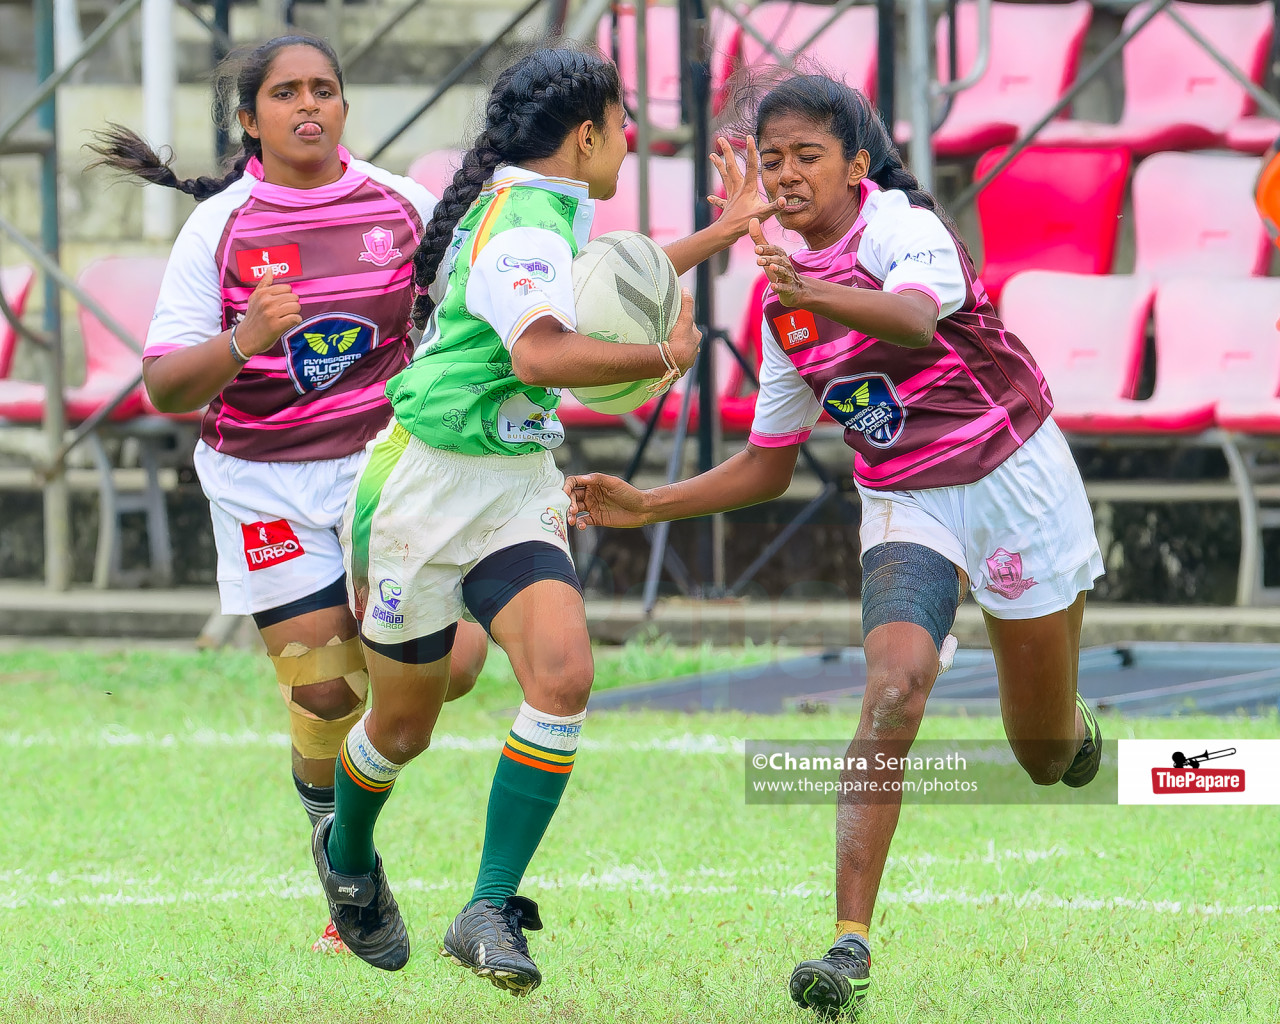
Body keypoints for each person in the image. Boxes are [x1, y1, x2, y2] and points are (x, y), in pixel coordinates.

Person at [564, 74, 1106, 1018]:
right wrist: (647, 505)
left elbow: (912, 319)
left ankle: (1071, 724)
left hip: (1014, 475)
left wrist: (809, 286)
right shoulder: (784, 308)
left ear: (856, 165)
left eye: (806, 157)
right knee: (893, 690)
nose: (783, 176)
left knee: (1043, 754)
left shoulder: (901, 230)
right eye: (769, 162)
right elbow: (767, 467)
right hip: (904, 498)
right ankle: (849, 943)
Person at [309, 46, 781, 990]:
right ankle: (348, 856)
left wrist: (722, 234)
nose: (631, 139)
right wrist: (658, 356)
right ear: (586, 135)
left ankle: (486, 906)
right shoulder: (525, 219)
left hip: (515, 480)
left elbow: (591, 278)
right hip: (423, 490)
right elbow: (539, 354)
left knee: (563, 676)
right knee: (401, 732)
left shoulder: (548, 201)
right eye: (621, 122)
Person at [88, 33, 489, 955]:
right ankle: (341, 850)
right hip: (262, 484)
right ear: (250, 119)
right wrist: (244, 338)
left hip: (388, 467)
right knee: (323, 697)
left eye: (325, 89)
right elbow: (165, 387)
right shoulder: (219, 227)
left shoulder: (403, 204)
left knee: (455, 667)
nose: (309, 105)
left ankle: (344, 832)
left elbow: (479, 313)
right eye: (287, 93)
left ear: (345, 107)